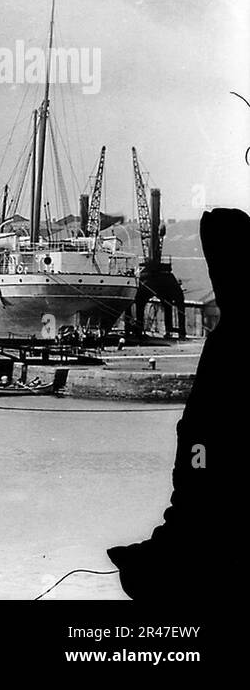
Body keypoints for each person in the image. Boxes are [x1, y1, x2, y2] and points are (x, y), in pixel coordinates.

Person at [106, 208, 243, 600]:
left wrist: (201, 459)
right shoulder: (229, 336)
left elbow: (201, 445)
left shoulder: (227, 342)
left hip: (209, 506)